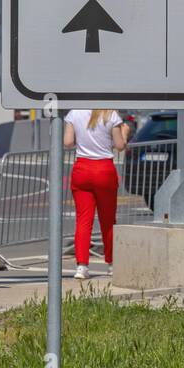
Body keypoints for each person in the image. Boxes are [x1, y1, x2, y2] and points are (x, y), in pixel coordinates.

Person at [64, 108, 130, 280]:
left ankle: (82, 266)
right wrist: (125, 132)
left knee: (83, 220)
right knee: (108, 220)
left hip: (82, 168)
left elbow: (68, 142)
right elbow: (120, 146)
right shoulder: (110, 114)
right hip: (103, 168)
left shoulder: (74, 113)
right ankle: (111, 264)